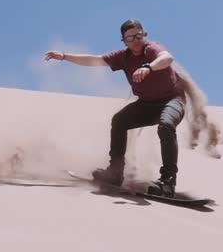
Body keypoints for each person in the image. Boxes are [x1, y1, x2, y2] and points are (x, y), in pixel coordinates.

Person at [43, 19, 186, 197]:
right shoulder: (122, 57)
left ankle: (168, 183)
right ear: (124, 41)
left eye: (138, 36)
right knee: (119, 121)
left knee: (166, 125)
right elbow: (95, 60)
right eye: (129, 38)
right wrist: (64, 56)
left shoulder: (151, 49)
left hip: (172, 101)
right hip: (147, 105)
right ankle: (115, 173)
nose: (135, 40)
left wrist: (148, 67)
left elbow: (167, 58)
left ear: (144, 34)